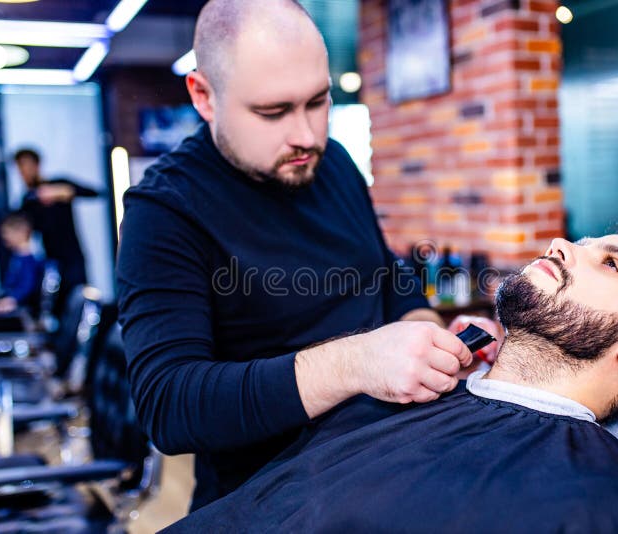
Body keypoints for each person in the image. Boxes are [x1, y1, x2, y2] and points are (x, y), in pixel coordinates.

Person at [116, 0, 497, 511]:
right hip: (271, 503)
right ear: (204, 96)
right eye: (272, 111)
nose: (306, 136)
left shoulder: (334, 163)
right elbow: (170, 405)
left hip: (389, 466)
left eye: (318, 102)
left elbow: (388, 277)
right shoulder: (164, 211)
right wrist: (356, 363)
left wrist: (431, 339)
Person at [162, 215, 618, 533]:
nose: (562, 245)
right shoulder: (396, 390)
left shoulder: (599, 508)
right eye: (583, 241)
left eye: (611, 263)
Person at [14, 148, 97, 314]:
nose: (24, 172)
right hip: (52, 260)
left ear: (37, 165)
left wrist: (62, 191)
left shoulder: (58, 184)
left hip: (73, 257)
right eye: (20, 168)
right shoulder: (28, 201)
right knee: (57, 306)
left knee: (81, 303)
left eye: (27, 166)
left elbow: (94, 192)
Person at [0, 211, 44, 315]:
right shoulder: (16, 257)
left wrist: (12, 299)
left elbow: (27, 285)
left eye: (7, 235)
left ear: (21, 233)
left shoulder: (28, 259)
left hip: (24, 307)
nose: (4, 239)